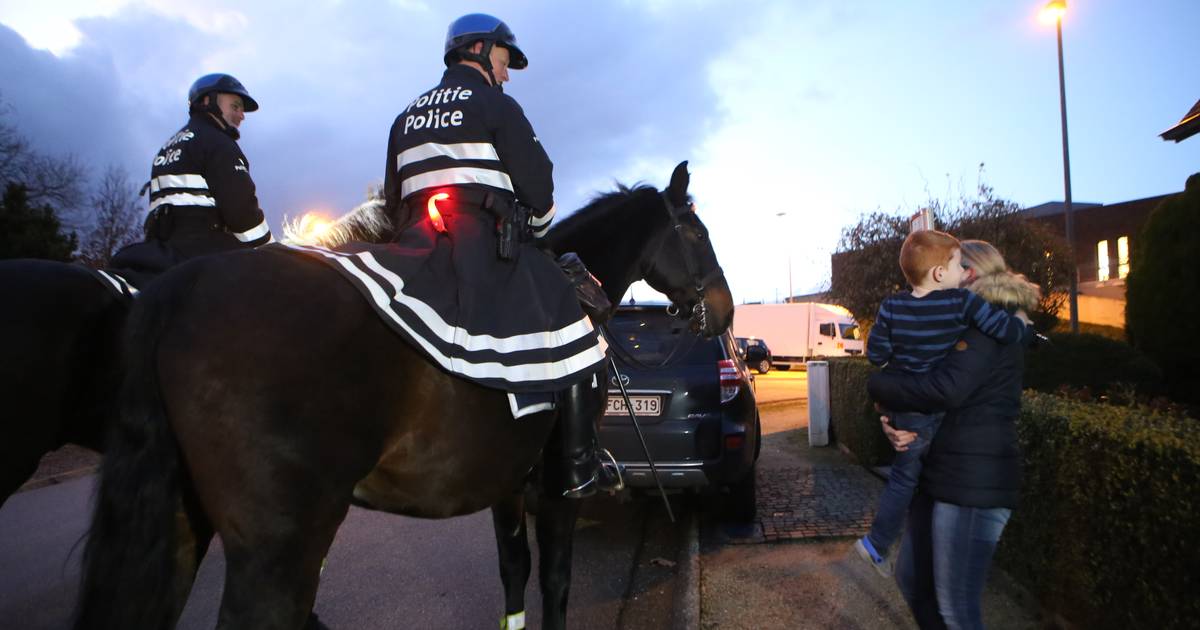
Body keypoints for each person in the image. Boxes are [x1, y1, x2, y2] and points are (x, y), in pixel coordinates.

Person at [383, 13, 617, 498]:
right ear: (479, 50)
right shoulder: (496, 104)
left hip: (414, 249)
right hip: (482, 243)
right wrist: (531, 233)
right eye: (505, 60)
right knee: (572, 315)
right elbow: (540, 187)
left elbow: (392, 200)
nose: (507, 74)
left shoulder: (404, 116)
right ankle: (579, 466)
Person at [867, 239, 1040, 630]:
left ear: (971, 276)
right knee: (911, 579)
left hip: (972, 480)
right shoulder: (957, 321)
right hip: (940, 473)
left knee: (956, 608)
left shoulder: (991, 322)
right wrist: (894, 422)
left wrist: (877, 387)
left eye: (957, 267)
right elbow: (914, 379)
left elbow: (944, 389)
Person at [111, 73, 272, 277]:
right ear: (207, 101)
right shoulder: (219, 144)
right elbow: (242, 213)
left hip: (160, 249)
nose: (242, 115)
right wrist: (272, 252)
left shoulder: (168, 146)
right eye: (235, 106)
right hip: (205, 253)